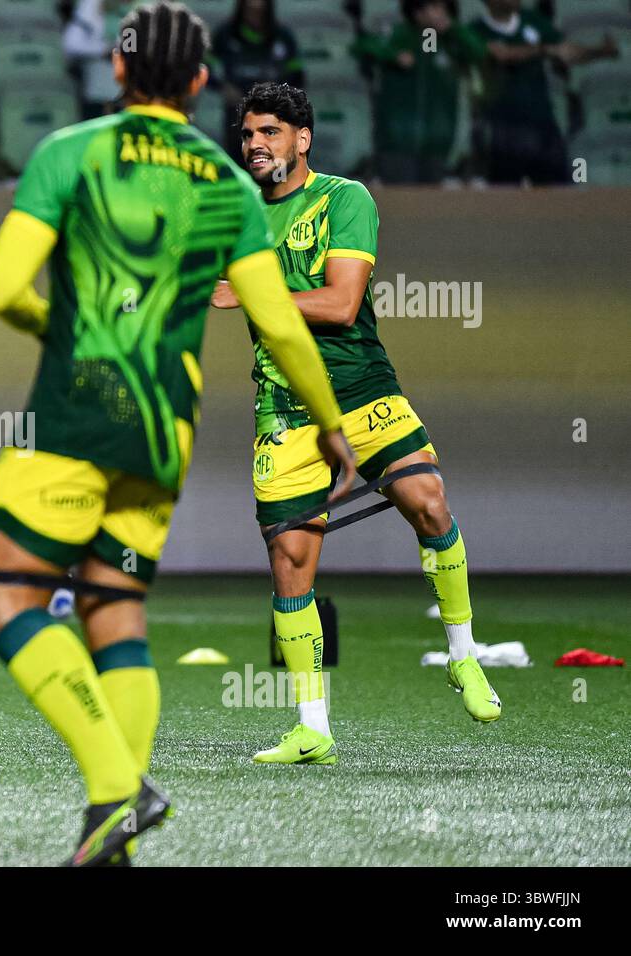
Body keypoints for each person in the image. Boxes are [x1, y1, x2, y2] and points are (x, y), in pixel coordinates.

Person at [0, 3, 355, 866]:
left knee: (0, 597)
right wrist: (331, 425)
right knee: (115, 610)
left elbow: (2, 289)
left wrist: (69, 330)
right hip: (165, 432)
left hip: (78, 414)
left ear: (117, 69)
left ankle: (120, 789)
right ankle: (118, 841)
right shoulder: (227, 183)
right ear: (198, 82)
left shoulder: (70, 153)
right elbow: (283, 327)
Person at [211, 82, 502, 767]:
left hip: (364, 390)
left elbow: (342, 304)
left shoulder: (346, 199)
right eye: (248, 134)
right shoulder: (234, 219)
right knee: (291, 563)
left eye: (270, 132)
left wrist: (248, 291)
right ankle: (312, 727)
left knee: (428, 503)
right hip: (285, 409)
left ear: (302, 139)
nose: (255, 144)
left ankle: (463, 656)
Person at [469, 0, 618, 184]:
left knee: (559, 194)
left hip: (542, 123)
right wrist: (545, 49)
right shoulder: (475, 30)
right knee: (504, 199)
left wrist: (598, 52)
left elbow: (565, 52)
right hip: (502, 129)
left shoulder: (533, 20)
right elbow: (501, 54)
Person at [353, 0, 486, 183]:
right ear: (416, 12)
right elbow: (362, 46)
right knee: (400, 201)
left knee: (429, 204)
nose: (436, 14)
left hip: (438, 140)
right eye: (430, 8)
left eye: (441, 8)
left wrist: (453, 29)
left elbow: (479, 52)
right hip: (397, 138)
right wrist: (394, 55)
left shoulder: (451, 41)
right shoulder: (400, 34)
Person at [208, 0, 304, 160]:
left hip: (274, 114)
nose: (255, 11)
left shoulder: (283, 36)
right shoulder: (225, 35)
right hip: (237, 114)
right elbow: (205, 71)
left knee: (274, 169)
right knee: (240, 161)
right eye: (250, 7)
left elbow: (298, 77)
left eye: (260, 7)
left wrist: (277, 94)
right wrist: (223, 88)